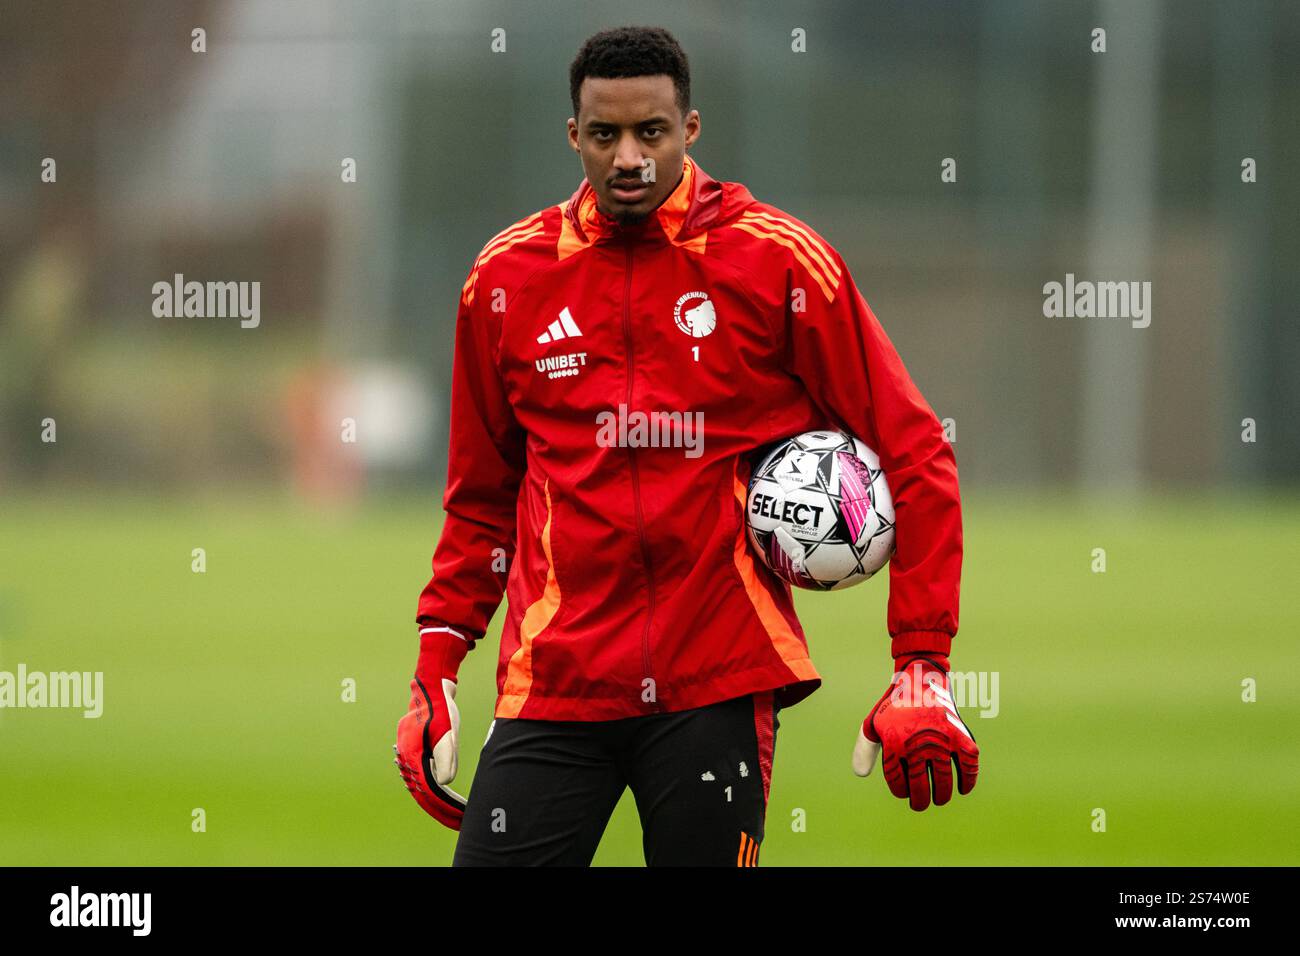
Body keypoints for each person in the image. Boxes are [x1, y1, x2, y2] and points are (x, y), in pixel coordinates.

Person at [395, 25, 979, 866]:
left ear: (690, 128)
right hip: (554, 679)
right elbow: (482, 497)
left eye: (651, 132)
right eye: (606, 135)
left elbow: (916, 448)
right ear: (574, 137)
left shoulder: (776, 260)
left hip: (718, 677)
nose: (629, 156)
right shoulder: (504, 280)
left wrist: (921, 663)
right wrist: (437, 666)